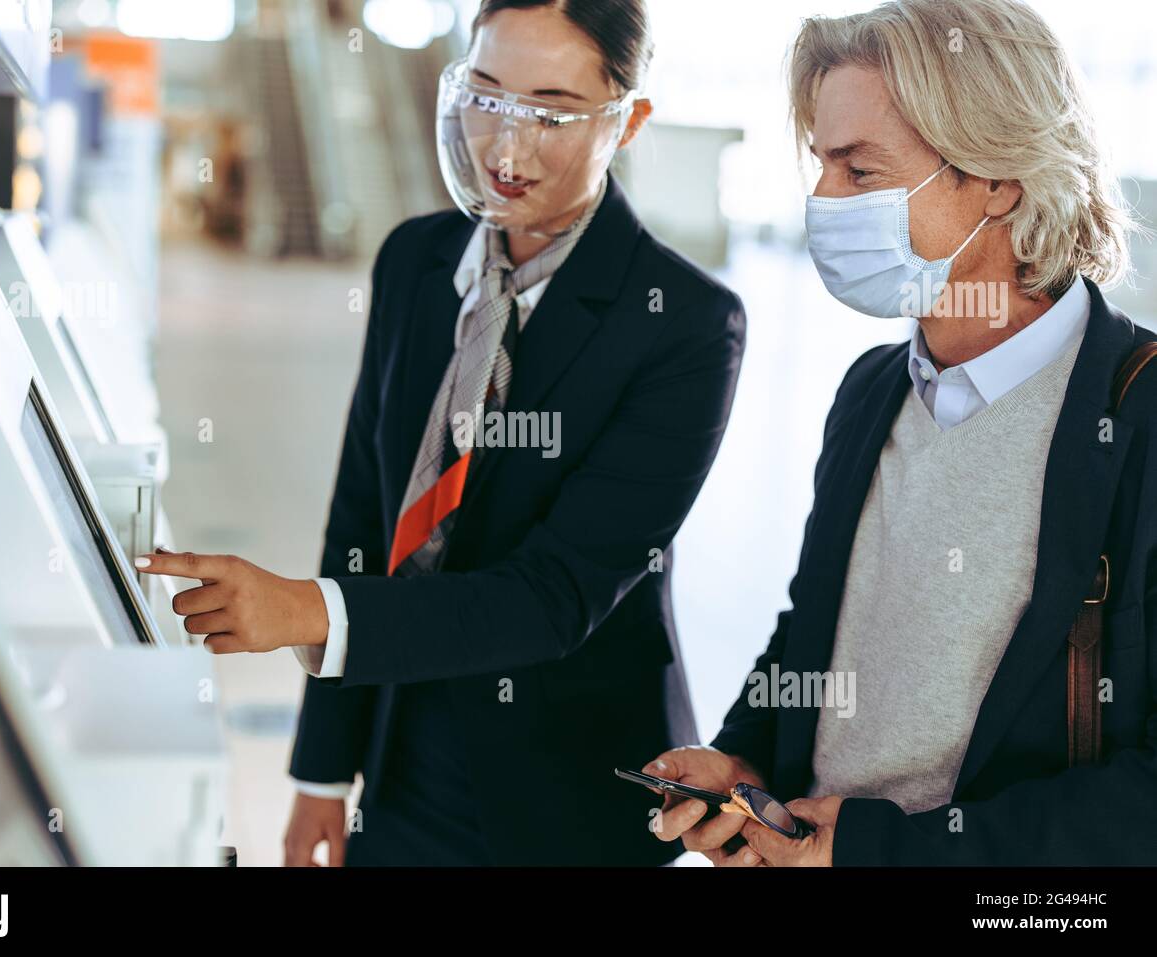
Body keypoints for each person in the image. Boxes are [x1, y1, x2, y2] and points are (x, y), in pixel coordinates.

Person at [139, 0, 746, 865]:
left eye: (552, 112)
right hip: (404, 742)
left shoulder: (683, 324)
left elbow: (555, 593)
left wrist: (305, 612)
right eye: (488, 95)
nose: (506, 146)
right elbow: (364, 515)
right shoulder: (415, 264)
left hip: (568, 792)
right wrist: (321, 771)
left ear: (629, 121)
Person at [645, 0, 1156, 866]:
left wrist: (890, 853)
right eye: (820, 166)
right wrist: (740, 764)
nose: (822, 201)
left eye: (859, 170)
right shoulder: (872, 391)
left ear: (998, 177)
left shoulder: (1138, 419)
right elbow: (818, 625)